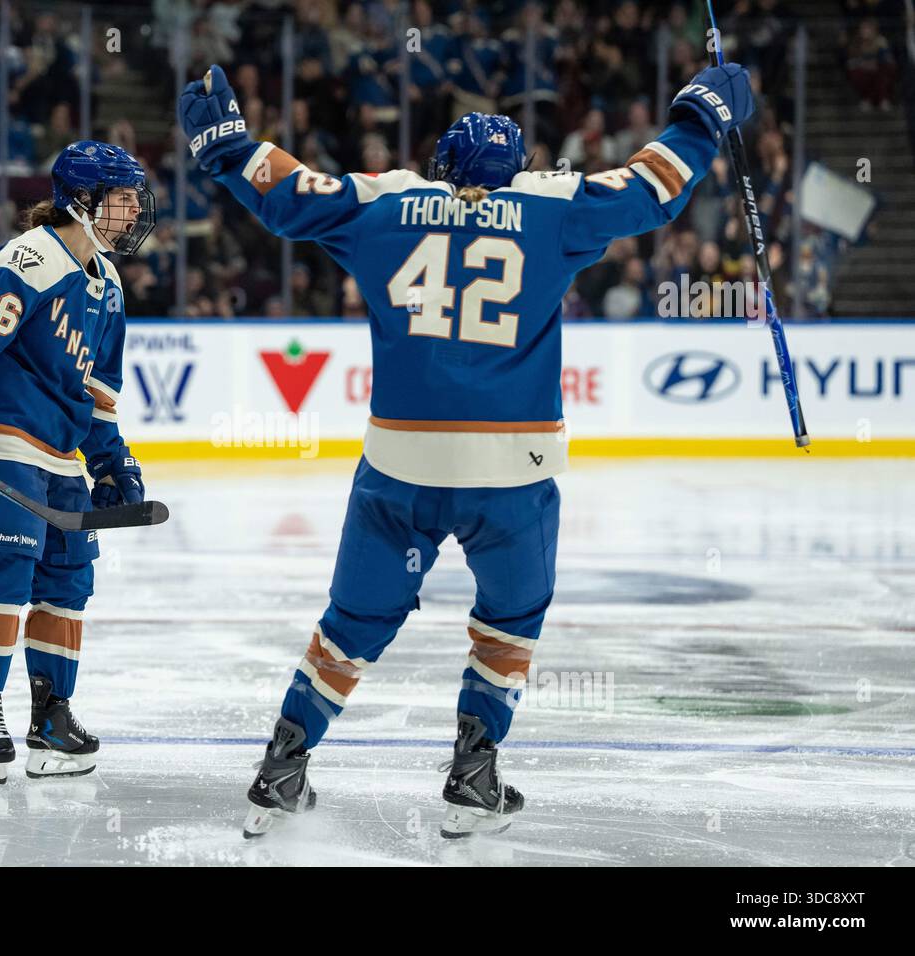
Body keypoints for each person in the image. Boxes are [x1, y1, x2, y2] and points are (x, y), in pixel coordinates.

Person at [180, 61, 752, 838]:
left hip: (400, 466)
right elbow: (653, 186)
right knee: (510, 619)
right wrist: (704, 111)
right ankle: (473, 773)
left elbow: (289, 194)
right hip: (512, 473)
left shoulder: (389, 204)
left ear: (441, 166)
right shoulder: (551, 208)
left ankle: (283, 767)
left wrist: (224, 145)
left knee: (352, 622)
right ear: (516, 169)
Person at [0, 140, 156, 783]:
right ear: (83, 200)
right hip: (2, 440)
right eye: (122, 200)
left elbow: (96, 395)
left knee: (68, 584)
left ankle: (51, 717)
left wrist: (110, 460)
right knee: (8, 573)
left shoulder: (109, 284)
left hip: (61, 454)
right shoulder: (33, 258)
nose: (133, 213)